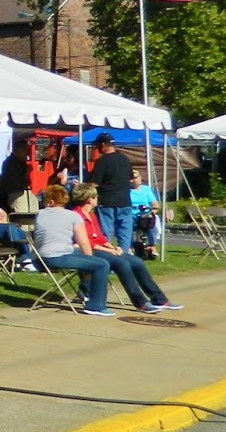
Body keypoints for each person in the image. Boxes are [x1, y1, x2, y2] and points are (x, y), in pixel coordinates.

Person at [70, 184, 182, 314]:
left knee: (137, 262)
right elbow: (85, 242)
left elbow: (99, 237)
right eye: (95, 196)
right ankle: (140, 302)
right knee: (122, 263)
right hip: (85, 251)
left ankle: (159, 299)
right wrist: (109, 251)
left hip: (99, 248)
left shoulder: (92, 215)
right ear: (89, 199)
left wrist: (112, 247)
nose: (97, 198)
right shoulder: (76, 215)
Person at [33, 184, 114, 316]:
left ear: (50, 201)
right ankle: (95, 305)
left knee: (86, 259)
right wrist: (89, 261)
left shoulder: (40, 214)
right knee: (101, 264)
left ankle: (86, 293)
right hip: (57, 257)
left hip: (39, 258)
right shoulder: (73, 216)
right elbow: (83, 242)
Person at [87, 133, 135, 251]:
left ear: (103, 145)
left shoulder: (102, 161)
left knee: (105, 233)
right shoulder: (124, 159)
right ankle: (124, 257)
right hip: (125, 201)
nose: (97, 148)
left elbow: (94, 183)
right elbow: (131, 178)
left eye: (98, 145)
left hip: (106, 201)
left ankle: (108, 256)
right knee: (125, 234)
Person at [129, 167, 162, 250]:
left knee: (151, 221)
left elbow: (154, 203)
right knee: (128, 223)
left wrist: (154, 210)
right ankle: (130, 246)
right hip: (132, 213)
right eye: (135, 178)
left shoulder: (146, 189)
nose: (138, 179)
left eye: (138, 177)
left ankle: (152, 245)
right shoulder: (127, 190)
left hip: (145, 213)